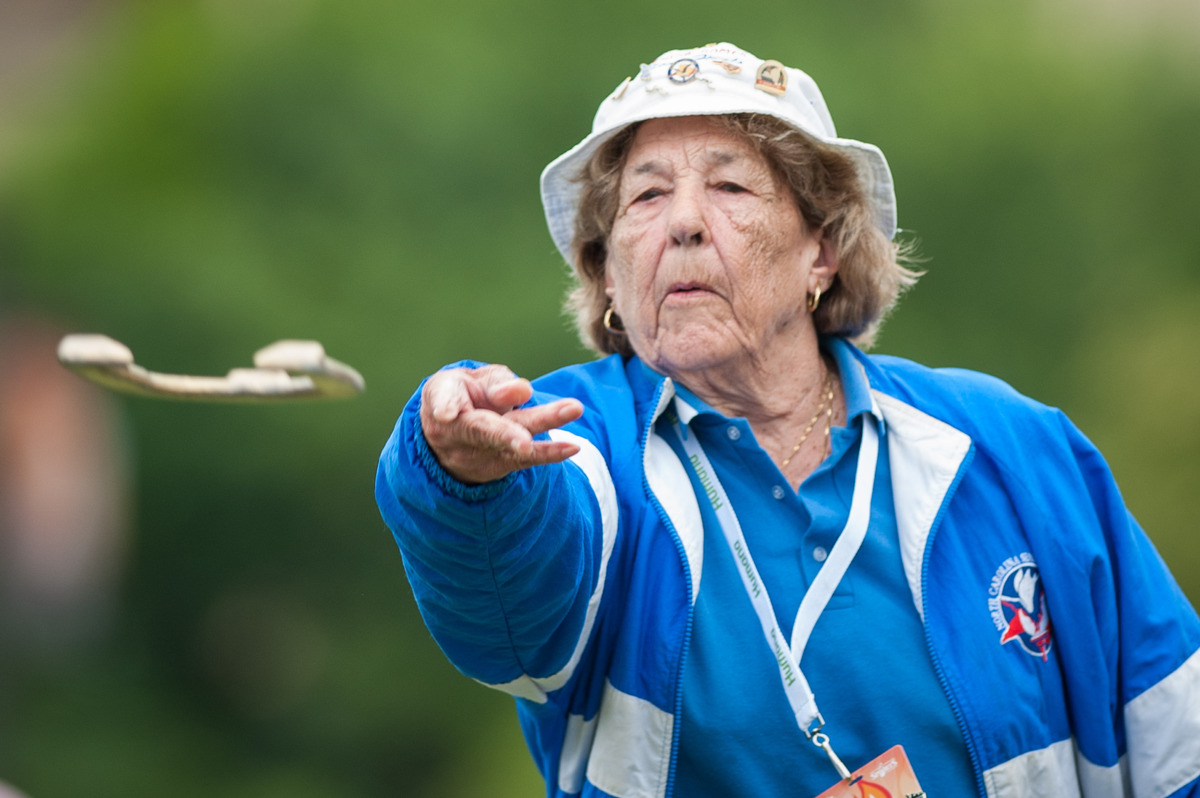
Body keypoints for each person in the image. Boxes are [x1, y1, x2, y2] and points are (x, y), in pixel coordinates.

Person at [375, 43, 1200, 798]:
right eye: (647, 194)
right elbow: (504, 602)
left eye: (730, 187)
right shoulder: (576, 445)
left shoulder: (1015, 446)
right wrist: (463, 478)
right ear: (608, 272)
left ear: (822, 251)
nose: (684, 222)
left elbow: (1178, 745)